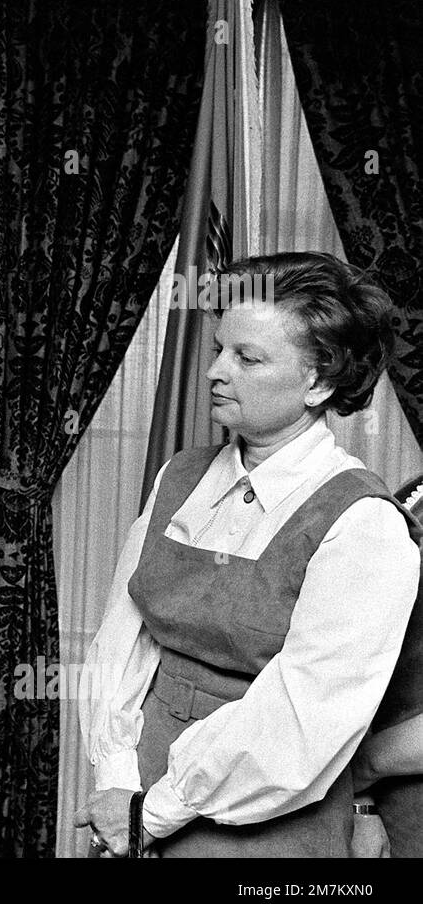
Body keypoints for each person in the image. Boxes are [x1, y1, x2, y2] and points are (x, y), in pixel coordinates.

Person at [76, 251, 423, 857]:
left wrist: (152, 813)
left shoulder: (363, 524)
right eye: (218, 349)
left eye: (248, 358)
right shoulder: (179, 478)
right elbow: (122, 643)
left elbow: (302, 716)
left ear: (319, 381)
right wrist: (115, 782)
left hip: (263, 825)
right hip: (130, 799)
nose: (215, 371)